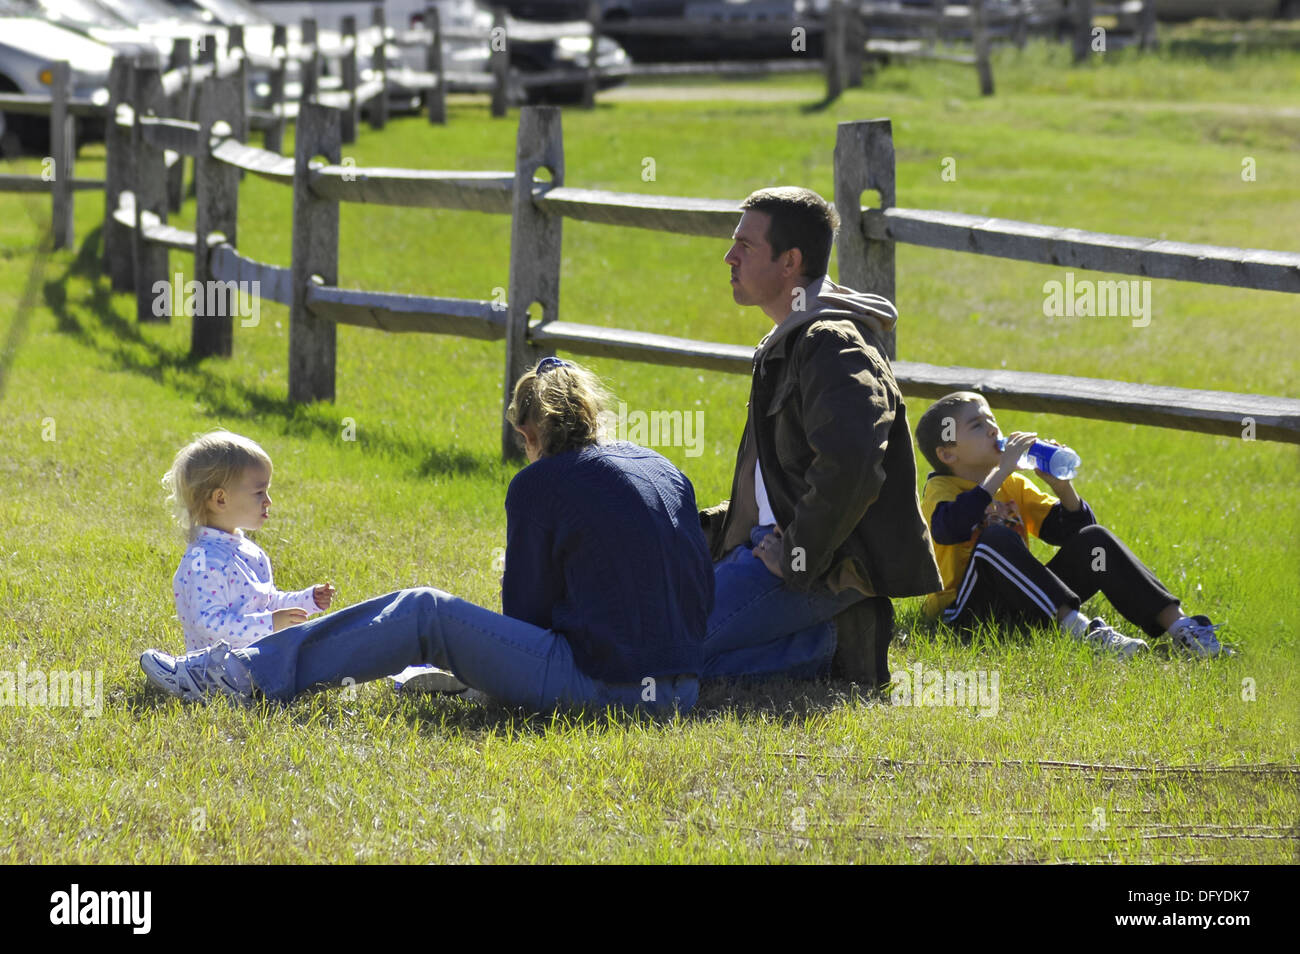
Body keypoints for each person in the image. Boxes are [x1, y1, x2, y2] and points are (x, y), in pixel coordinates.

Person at [140, 358, 713, 713]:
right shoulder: (663, 469)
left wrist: (484, 659)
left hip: (603, 689)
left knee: (424, 612)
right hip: (682, 689)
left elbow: (526, 620)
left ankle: (240, 672)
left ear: (527, 433)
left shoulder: (541, 484)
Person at [699, 186, 941, 690]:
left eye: (745, 245)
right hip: (766, 546)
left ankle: (831, 647)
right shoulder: (793, 333)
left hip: (823, 567)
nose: (729, 257)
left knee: (660, 655)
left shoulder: (829, 344)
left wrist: (799, 557)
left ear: (790, 262)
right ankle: (820, 639)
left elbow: (853, 463)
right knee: (644, 631)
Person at [913, 391, 1225, 657]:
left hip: (1025, 603)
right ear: (948, 453)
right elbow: (949, 528)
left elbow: (1076, 533)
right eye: (977, 426)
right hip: (966, 612)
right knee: (994, 538)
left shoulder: (1013, 485)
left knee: (1095, 539)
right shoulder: (940, 491)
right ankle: (1084, 631)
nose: (993, 429)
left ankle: (1182, 628)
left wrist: (1062, 487)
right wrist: (1000, 473)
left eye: (991, 419)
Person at [161, 430, 335, 653]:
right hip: (218, 671)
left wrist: (307, 600)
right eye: (259, 492)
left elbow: (268, 602)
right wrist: (270, 624)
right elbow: (208, 623)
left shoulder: (250, 552)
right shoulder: (202, 559)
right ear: (221, 499)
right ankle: (175, 673)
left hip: (260, 659)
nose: (268, 502)